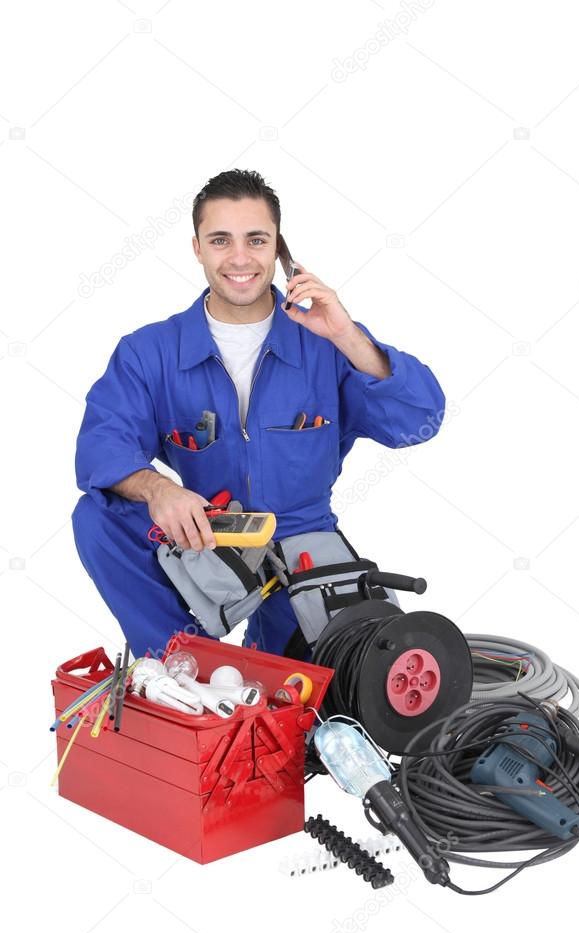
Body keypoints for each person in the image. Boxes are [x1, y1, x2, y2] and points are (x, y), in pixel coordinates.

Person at [72, 169, 446, 658]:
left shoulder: (326, 343)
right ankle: (181, 659)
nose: (240, 258)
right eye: (221, 240)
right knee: (96, 516)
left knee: (330, 689)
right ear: (198, 248)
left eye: (256, 239)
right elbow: (103, 443)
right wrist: (161, 490)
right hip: (203, 533)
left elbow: (420, 418)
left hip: (302, 542)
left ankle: (268, 643)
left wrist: (347, 334)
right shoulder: (150, 353)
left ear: (279, 250)